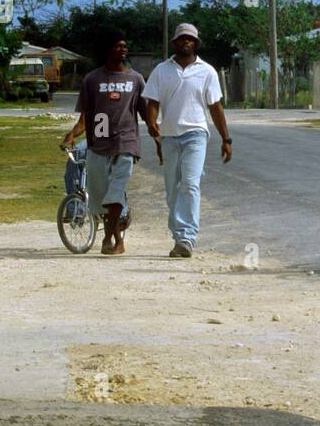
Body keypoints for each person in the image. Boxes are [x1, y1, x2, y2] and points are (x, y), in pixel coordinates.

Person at [143, 23, 232, 258]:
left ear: (196, 43)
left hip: (196, 134)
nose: (186, 42)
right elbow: (152, 102)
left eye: (190, 39)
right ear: (174, 43)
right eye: (181, 39)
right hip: (170, 136)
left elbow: (215, 106)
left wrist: (226, 138)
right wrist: (152, 124)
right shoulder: (161, 70)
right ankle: (178, 234)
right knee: (172, 190)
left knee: (190, 184)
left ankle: (186, 237)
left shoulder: (207, 71)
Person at [61, 33, 154, 255]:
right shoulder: (92, 80)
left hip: (126, 143)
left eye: (125, 46)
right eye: (117, 46)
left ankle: (107, 239)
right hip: (98, 144)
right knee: (102, 195)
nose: (123, 49)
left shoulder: (136, 79)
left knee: (116, 191)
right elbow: (85, 118)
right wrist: (71, 135)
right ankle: (117, 239)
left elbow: (146, 113)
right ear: (107, 50)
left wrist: (158, 137)